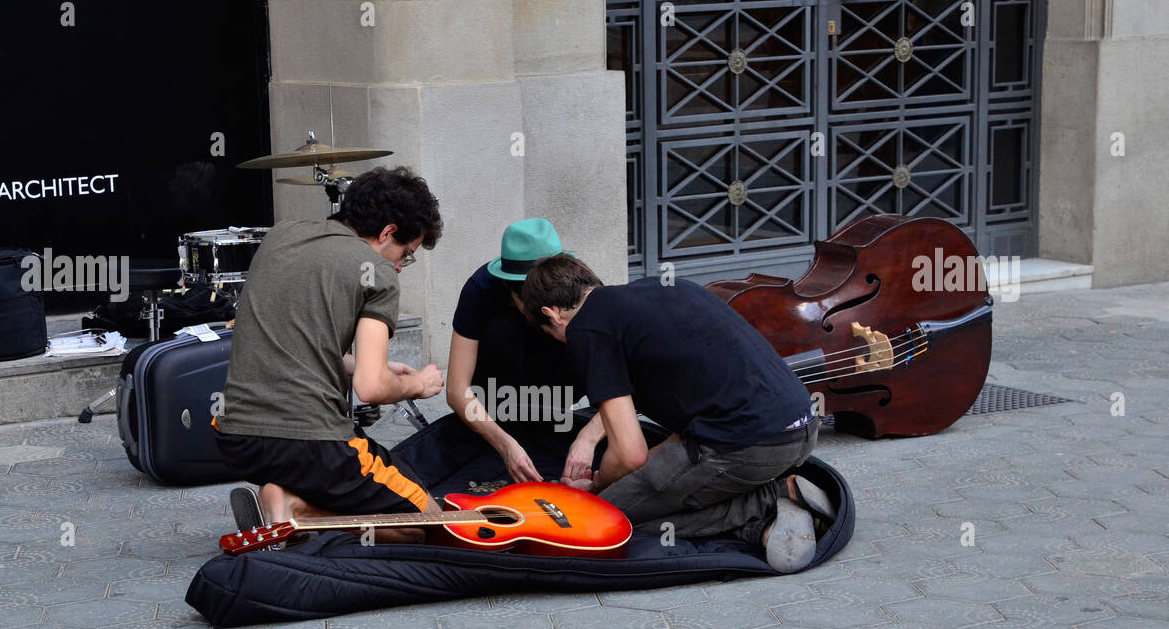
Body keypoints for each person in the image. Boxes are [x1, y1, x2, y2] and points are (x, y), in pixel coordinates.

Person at [519, 255, 837, 572]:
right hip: (802, 426)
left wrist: (597, 489)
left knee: (605, 516)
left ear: (553, 315)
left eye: (552, 336)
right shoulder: (664, 290)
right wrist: (589, 442)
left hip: (751, 447)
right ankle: (777, 504)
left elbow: (630, 454)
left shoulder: (585, 330)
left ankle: (769, 500)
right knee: (656, 486)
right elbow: (689, 418)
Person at [214, 166, 445, 541]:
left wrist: (368, 365)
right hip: (310, 442)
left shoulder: (281, 236)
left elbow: (294, 344)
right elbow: (371, 390)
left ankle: (285, 499)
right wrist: (418, 384)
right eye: (407, 253)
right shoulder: (377, 272)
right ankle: (296, 509)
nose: (401, 266)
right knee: (432, 527)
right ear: (387, 233)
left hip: (237, 437)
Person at [445, 218, 605, 485]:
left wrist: (587, 438)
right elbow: (456, 389)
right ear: (513, 292)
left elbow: (620, 388)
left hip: (556, 397)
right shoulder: (480, 290)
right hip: (497, 399)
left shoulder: (581, 291)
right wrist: (505, 444)